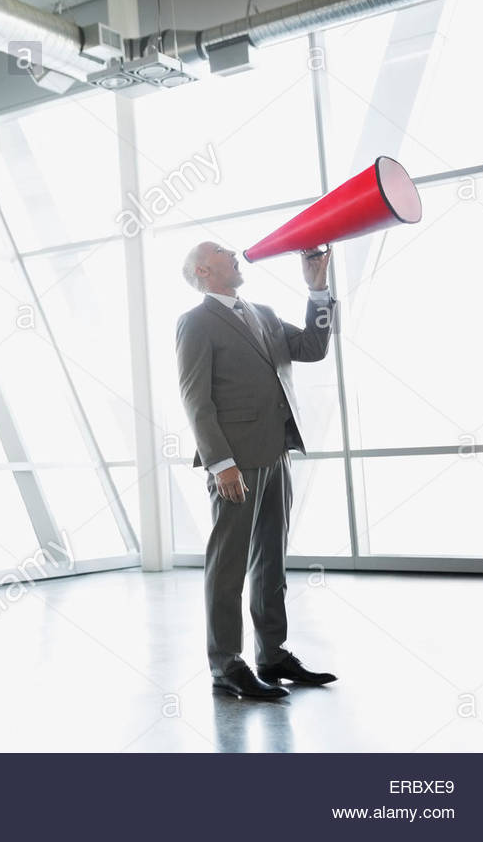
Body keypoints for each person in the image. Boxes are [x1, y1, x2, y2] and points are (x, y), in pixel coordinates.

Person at [176, 241, 340, 699]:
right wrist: (221, 464)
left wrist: (318, 288)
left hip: (275, 452)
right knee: (228, 567)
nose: (235, 254)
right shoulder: (195, 322)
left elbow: (312, 347)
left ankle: (273, 653)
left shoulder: (263, 313)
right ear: (204, 270)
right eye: (224, 252)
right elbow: (195, 399)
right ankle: (226, 664)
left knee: (271, 561)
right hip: (234, 463)